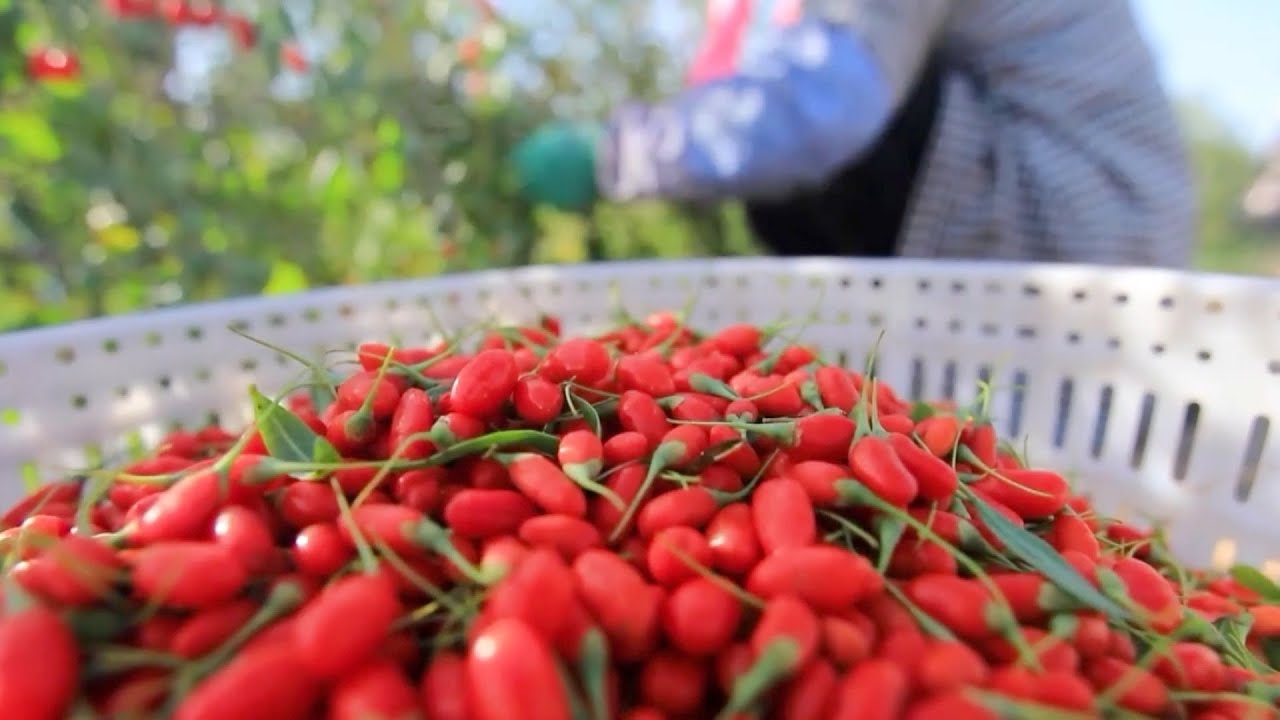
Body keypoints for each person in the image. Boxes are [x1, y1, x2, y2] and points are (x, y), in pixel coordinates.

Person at [511, 0, 1197, 267]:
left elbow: (818, 106)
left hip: (1072, 221)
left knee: (792, 119)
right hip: (1096, 218)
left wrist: (616, 155)